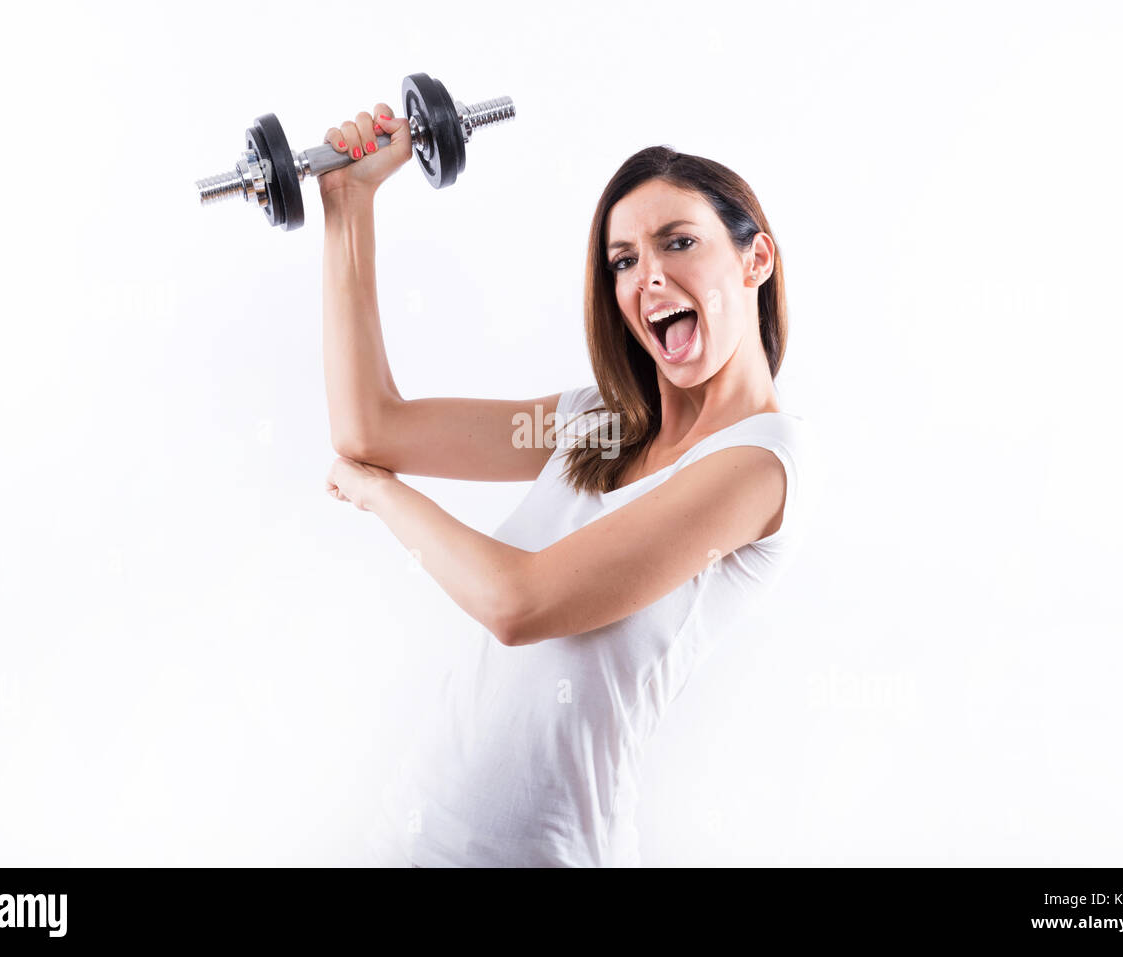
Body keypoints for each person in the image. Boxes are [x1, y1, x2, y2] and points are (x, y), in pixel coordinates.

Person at [320, 105, 819, 867]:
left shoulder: (757, 464)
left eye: (678, 242)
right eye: (623, 260)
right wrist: (348, 207)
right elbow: (373, 430)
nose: (649, 276)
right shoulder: (598, 420)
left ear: (756, 260)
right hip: (412, 842)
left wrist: (382, 495)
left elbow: (520, 604)